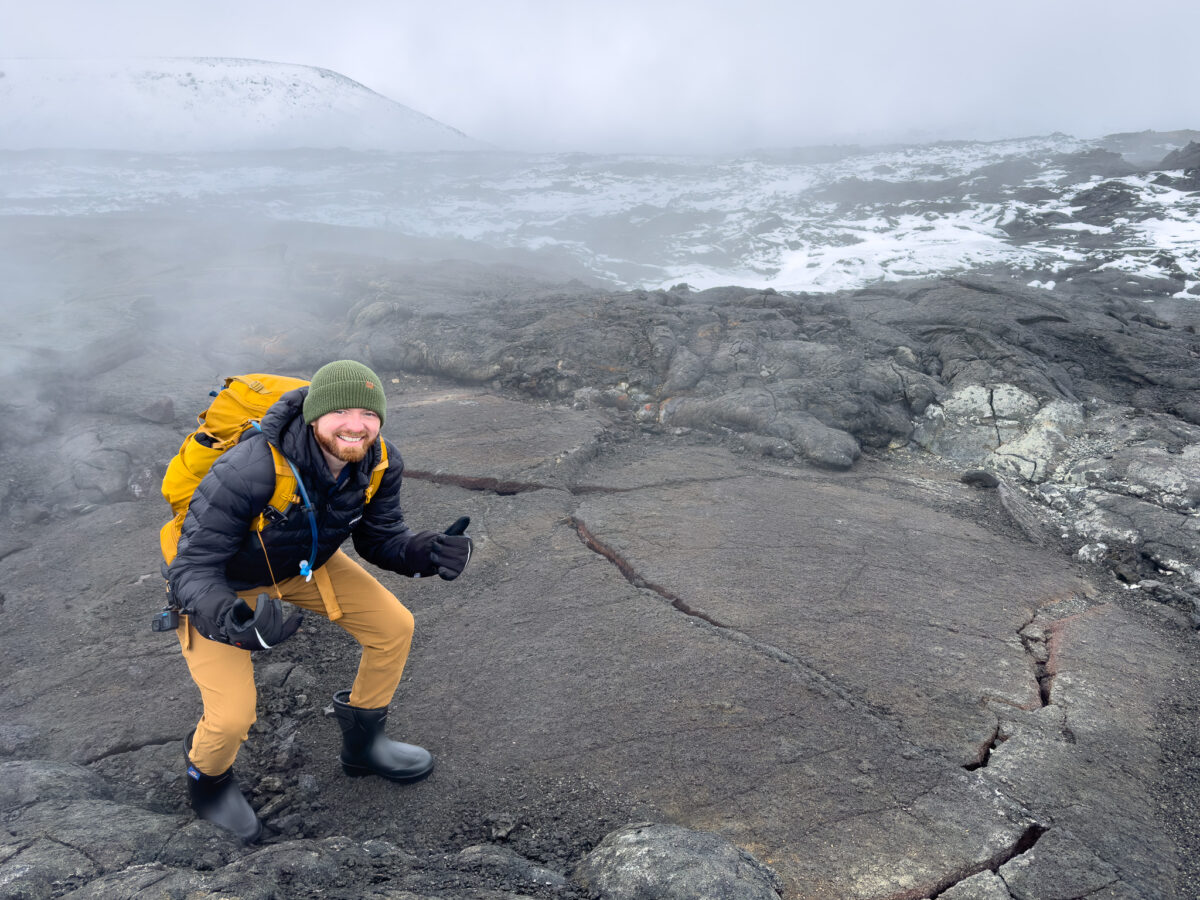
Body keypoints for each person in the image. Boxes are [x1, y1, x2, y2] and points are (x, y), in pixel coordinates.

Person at [166, 360, 472, 843]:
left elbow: (381, 537)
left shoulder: (379, 460)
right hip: (225, 579)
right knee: (231, 717)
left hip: (301, 563)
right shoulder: (248, 469)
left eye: (369, 414)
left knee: (394, 627)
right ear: (314, 416)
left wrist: (424, 552)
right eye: (342, 412)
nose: (357, 425)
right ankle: (209, 783)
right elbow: (193, 564)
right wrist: (227, 616)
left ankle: (364, 745)